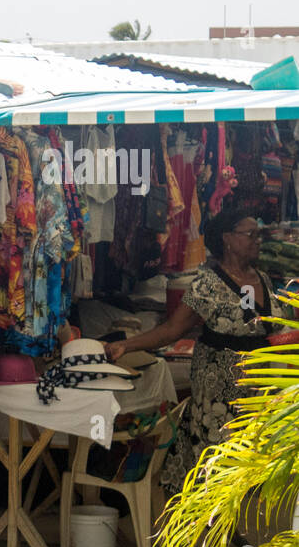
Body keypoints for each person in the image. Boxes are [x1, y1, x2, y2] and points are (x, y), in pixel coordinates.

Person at [106, 203, 275, 495]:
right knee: (215, 470)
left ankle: (231, 533)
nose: (257, 240)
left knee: (247, 472)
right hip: (217, 397)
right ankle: (207, 535)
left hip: (255, 394)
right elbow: (172, 330)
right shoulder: (207, 284)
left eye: (258, 234)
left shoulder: (263, 280)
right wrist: (125, 344)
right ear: (228, 239)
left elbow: (260, 326)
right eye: (250, 234)